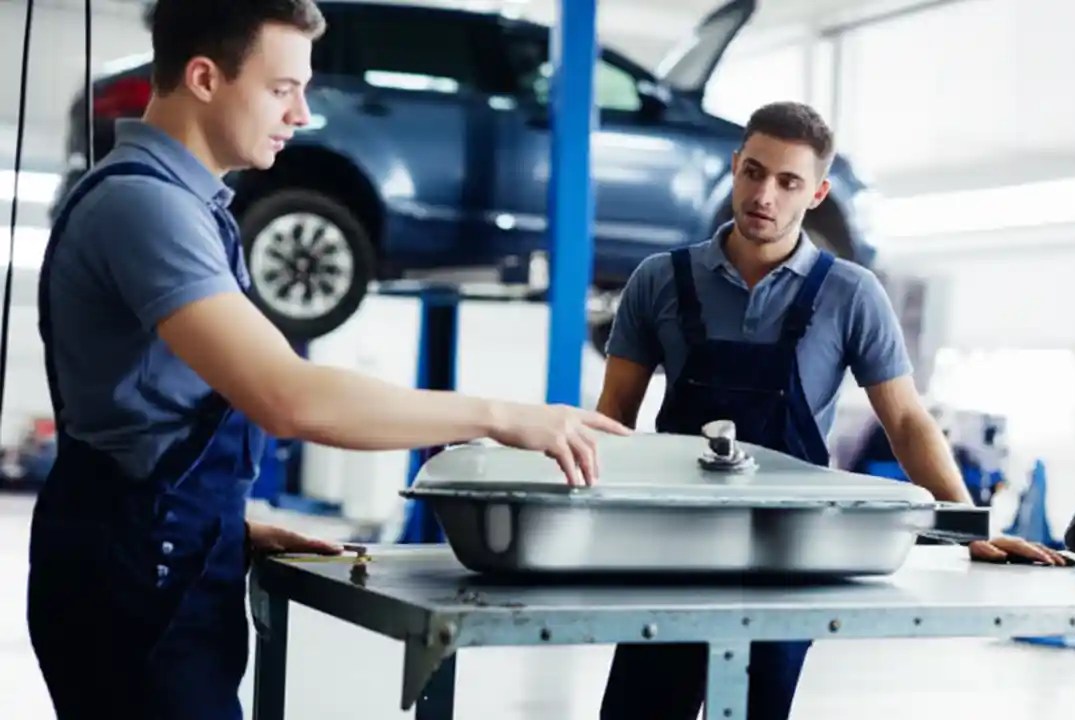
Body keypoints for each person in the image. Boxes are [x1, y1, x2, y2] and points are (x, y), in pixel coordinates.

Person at [25, 2, 628, 718]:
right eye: (283, 89)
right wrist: (500, 416)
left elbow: (143, 408)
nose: (303, 113)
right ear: (204, 78)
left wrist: (225, 526)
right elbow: (289, 397)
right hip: (135, 578)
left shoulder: (186, 206)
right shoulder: (145, 208)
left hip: (162, 553)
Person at [594, 101, 1067, 720]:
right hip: (671, 552)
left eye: (788, 182)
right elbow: (612, 419)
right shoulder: (659, 279)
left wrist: (965, 526)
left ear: (816, 193)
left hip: (792, 556)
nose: (765, 194)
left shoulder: (851, 293)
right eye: (754, 173)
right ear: (734, 167)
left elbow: (905, 420)